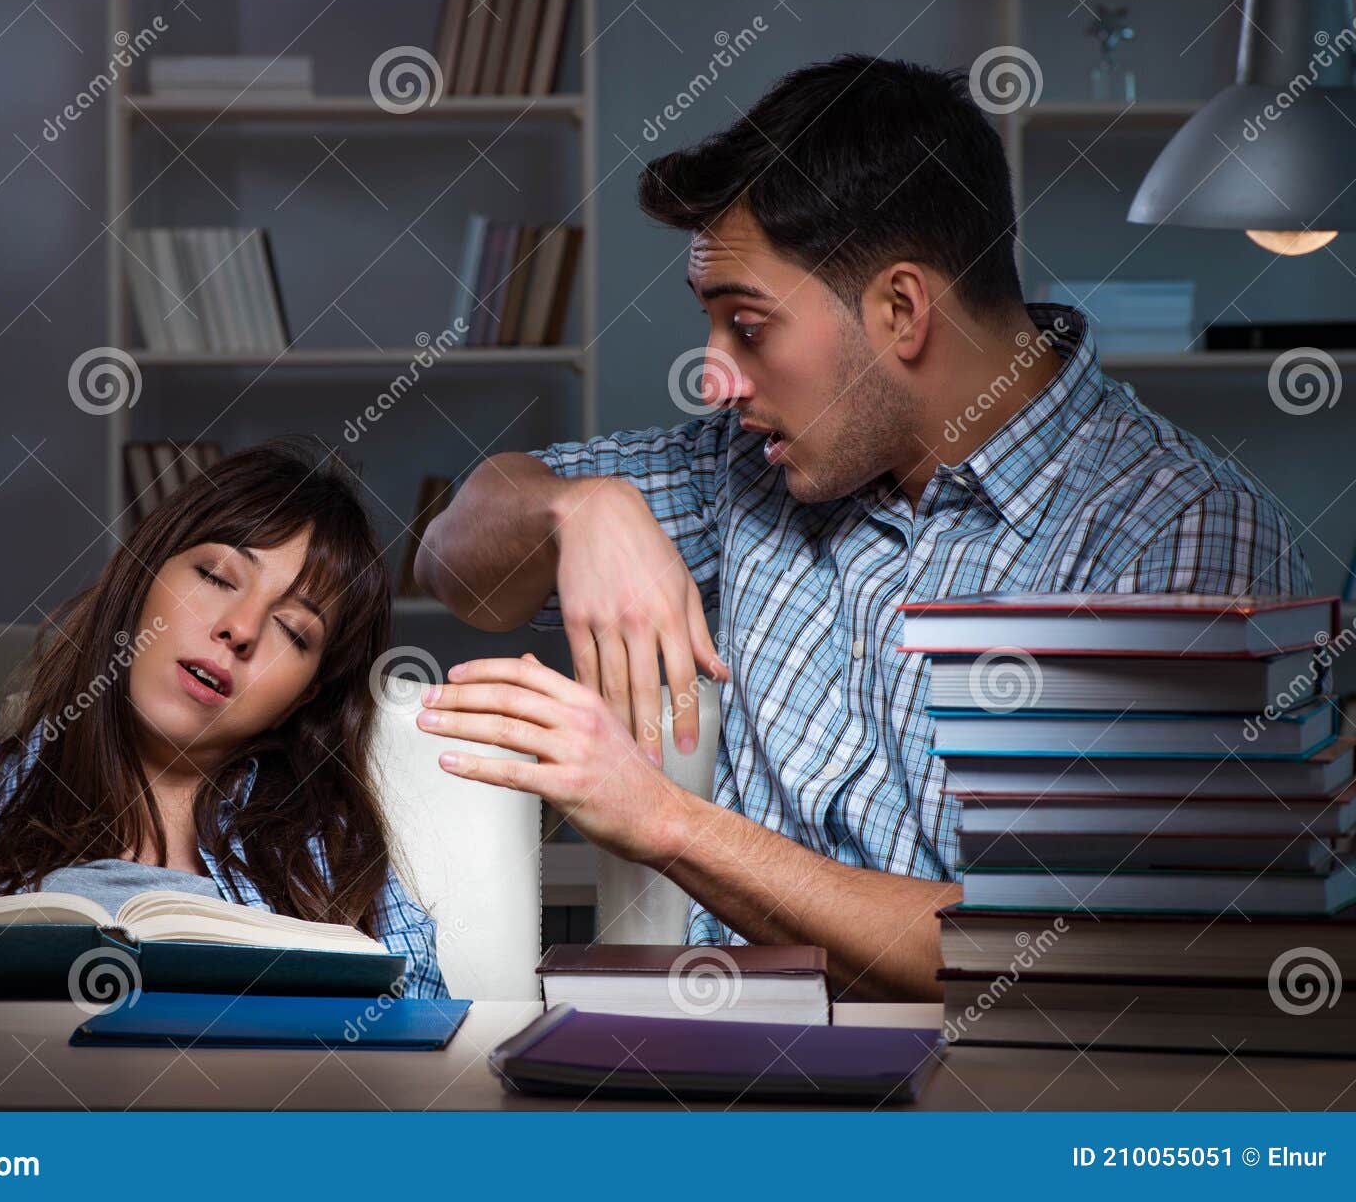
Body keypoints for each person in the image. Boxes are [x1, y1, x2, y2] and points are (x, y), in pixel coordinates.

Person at [411, 54, 1311, 1001]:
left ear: (900, 309)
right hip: (715, 1083)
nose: (714, 376)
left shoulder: (1180, 535)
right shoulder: (747, 466)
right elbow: (453, 565)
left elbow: (1077, 960)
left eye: (747, 325)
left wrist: (665, 819)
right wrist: (575, 506)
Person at [0, 438, 447, 998]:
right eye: (216, 576)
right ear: (142, 577)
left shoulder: (340, 867)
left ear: (305, 697)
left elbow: (426, 1088)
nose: (239, 629)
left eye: (294, 631)